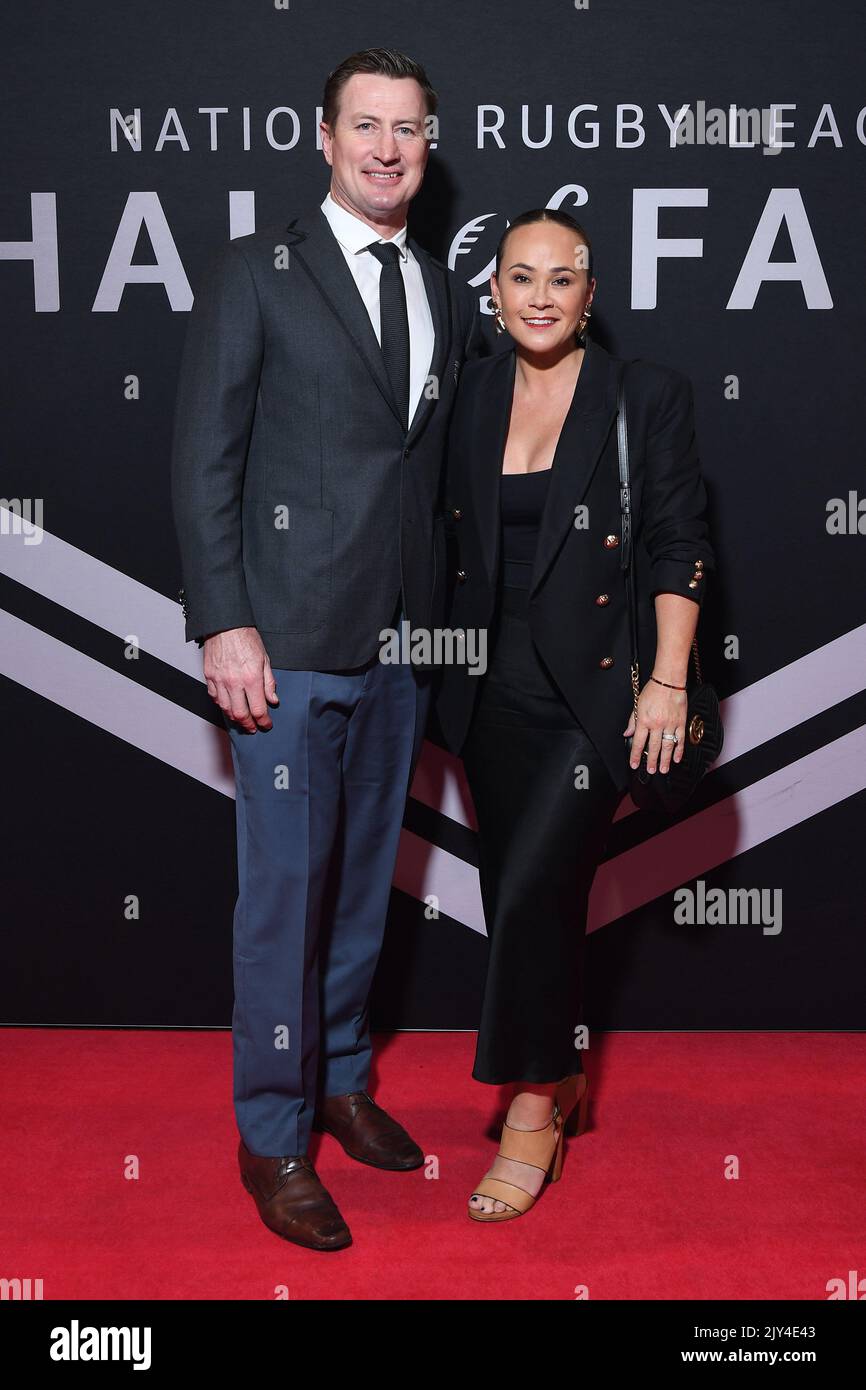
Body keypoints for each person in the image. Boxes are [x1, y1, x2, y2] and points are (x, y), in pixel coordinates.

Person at [171, 48, 484, 1251]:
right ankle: (274, 1134)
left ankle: (344, 1079)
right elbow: (206, 457)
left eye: (407, 128)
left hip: (400, 640)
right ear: (322, 137)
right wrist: (224, 620)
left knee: (365, 886)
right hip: (285, 643)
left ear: (428, 140)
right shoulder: (259, 273)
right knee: (285, 897)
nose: (387, 148)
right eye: (365, 126)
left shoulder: (442, 292)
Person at [436, 208, 715, 1221]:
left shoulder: (644, 396)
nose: (541, 296)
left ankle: (528, 1111)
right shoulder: (465, 395)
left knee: (528, 896)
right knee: (533, 898)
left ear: (589, 294)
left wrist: (668, 681)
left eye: (562, 278)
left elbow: (677, 541)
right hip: (483, 692)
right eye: (521, 277)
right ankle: (559, 1070)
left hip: (596, 695)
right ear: (496, 292)